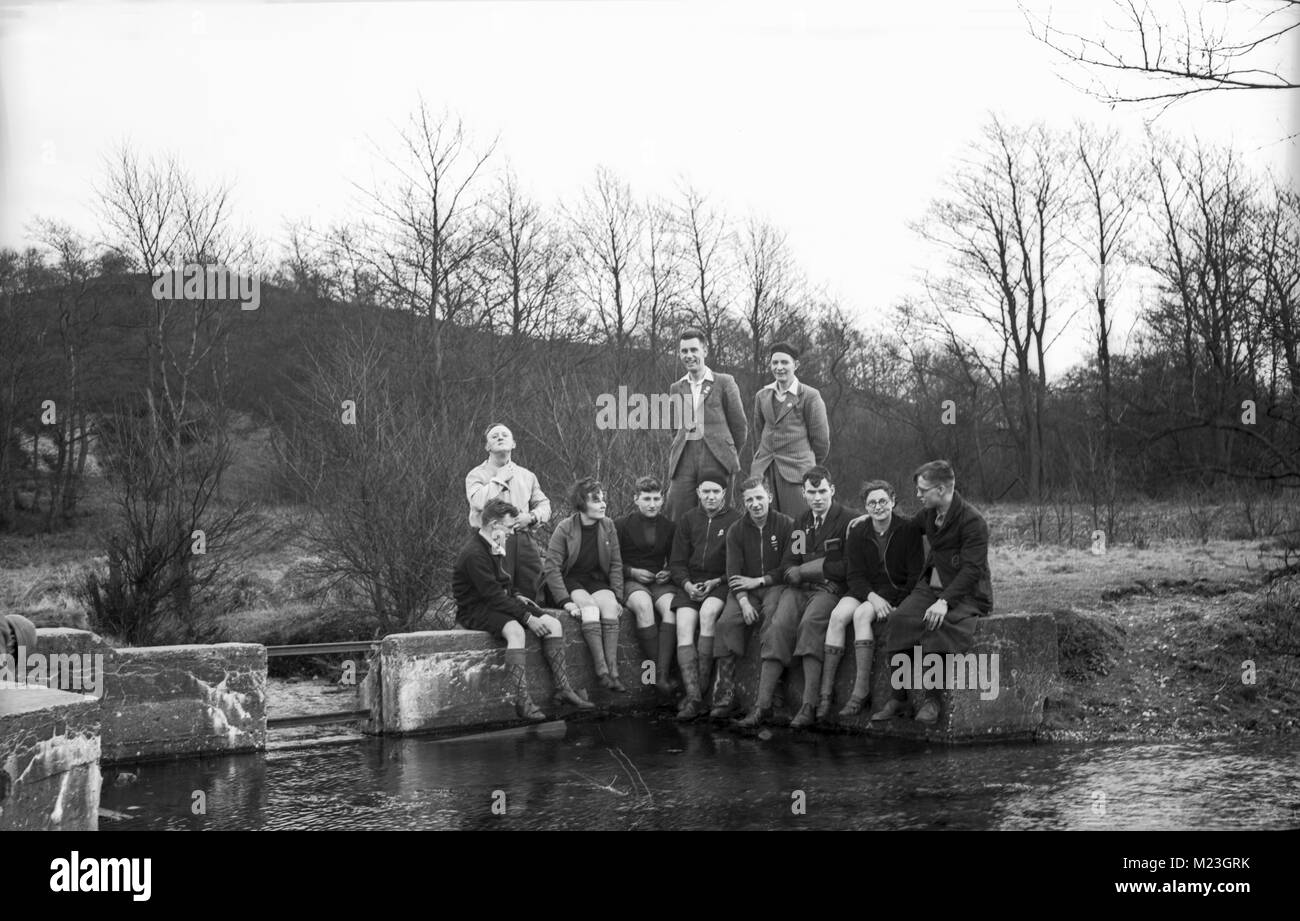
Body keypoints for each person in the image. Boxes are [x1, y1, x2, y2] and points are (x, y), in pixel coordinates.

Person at [734, 466, 857, 730]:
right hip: (799, 588)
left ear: (832, 490)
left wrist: (811, 568)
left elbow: (849, 566)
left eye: (822, 491)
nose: (817, 498)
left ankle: (809, 705)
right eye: (811, 493)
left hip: (829, 590)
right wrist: (797, 571)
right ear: (804, 494)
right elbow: (790, 562)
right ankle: (762, 705)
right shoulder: (801, 522)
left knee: (811, 624)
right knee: (779, 625)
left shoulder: (848, 520)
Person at [871, 460, 993, 725]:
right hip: (932, 583)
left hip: (967, 592)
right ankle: (898, 696)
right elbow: (906, 527)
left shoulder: (973, 522)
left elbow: (972, 570)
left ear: (940, 489)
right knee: (899, 619)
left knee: (936, 623)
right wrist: (874, 519)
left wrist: (944, 602)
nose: (918, 495)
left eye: (922, 490)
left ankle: (931, 699)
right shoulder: (929, 514)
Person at [453, 498, 594, 720]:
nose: (512, 532)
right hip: (476, 608)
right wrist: (527, 618)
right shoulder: (474, 554)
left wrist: (518, 595)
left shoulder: (496, 543)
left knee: (553, 624)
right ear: (493, 525)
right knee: (515, 630)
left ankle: (563, 689)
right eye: (509, 527)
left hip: (500, 601)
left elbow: (504, 582)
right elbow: (492, 596)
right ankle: (522, 701)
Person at [817, 480, 925, 720]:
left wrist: (899, 602)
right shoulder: (858, 532)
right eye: (872, 503)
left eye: (883, 501)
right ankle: (825, 694)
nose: (878, 507)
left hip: (892, 591)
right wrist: (871, 597)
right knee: (837, 617)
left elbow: (914, 575)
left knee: (861, 615)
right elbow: (854, 575)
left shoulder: (907, 530)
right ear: (865, 507)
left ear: (893, 501)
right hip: (865, 590)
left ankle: (860, 691)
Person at [710, 476, 794, 720]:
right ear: (743, 503)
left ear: (768, 496)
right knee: (726, 622)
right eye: (749, 500)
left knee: (773, 620)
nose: (755, 504)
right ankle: (725, 693)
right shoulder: (736, 530)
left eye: (759, 497)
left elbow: (789, 566)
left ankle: (775, 687)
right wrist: (744, 601)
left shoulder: (787, 524)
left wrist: (761, 580)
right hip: (743, 589)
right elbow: (732, 571)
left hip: (774, 586)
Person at [668, 474, 742, 721]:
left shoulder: (735, 521)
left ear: (724, 493)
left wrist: (717, 582)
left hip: (719, 583)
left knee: (708, 614)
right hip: (690, 583)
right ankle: (695, 697)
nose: (711, 497)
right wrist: (686, 584)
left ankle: (699, 690)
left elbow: (736, 564)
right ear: (698, 492)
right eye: (706, 491)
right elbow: (677, 562)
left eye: (716, 492)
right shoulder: (688, 520)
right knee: (684, 624)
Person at [543, 477, 628, 692]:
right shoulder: (565, 527)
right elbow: (552, 568)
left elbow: (616, 564)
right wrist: (565, 601)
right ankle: (601, 671)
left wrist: (617, 596)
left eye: (603, 499)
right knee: (589, 607)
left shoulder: (608, 525)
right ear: (582, 504)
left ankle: (613, 671)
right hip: (569, 580)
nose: (603, 504)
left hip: (595, 579)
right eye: (596, 500)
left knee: (609, 607)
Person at [664, 329, 748, 522]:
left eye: (694, 349)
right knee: (677, 511)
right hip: (684, 458)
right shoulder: (677, 387)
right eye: (684, 351)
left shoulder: (724, 382)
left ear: (704, 351)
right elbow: (674, 427)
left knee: (719, 515)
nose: (689, 355)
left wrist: (726, 452)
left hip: (717, 458)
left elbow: (739, 426)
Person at [465, 423, 551, 601]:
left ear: (513, 444)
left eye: (505, 435)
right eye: (494, 436)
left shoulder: (527, 475)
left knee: (533, 589)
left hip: (524, 538)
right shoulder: (476, 475)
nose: (500, 437)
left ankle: (532, 624)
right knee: (499, 591)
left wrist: (532, 517)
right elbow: (478, 501)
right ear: (487, 446)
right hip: (493, 538)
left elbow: (545, 505)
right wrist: (499, 479)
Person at [614, 476, 678, 704]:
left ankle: (660, 675)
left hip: (658, 581)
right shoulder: (620, 525)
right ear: (636, 499)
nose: (652, 504)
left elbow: (676, 560)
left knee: (672, 610)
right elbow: (610, 562)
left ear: (662, 500)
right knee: (643, 607)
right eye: (647, 499)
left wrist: (668, 571)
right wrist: (632, 572)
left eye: (657, 499)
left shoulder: (669, 527)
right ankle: (652, 677)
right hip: (630, 579)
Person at [750, 342, 830, 520]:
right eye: (775, 363)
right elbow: (758, 432)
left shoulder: (810, 396)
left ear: (796, 364)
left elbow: (821, 441)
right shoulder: (762, 396)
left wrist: (808, 466)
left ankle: (798, 549)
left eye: (784, 363)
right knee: (766, 523)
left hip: (797, 472)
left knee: (798, 523)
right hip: (765, 471)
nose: (779, 368)